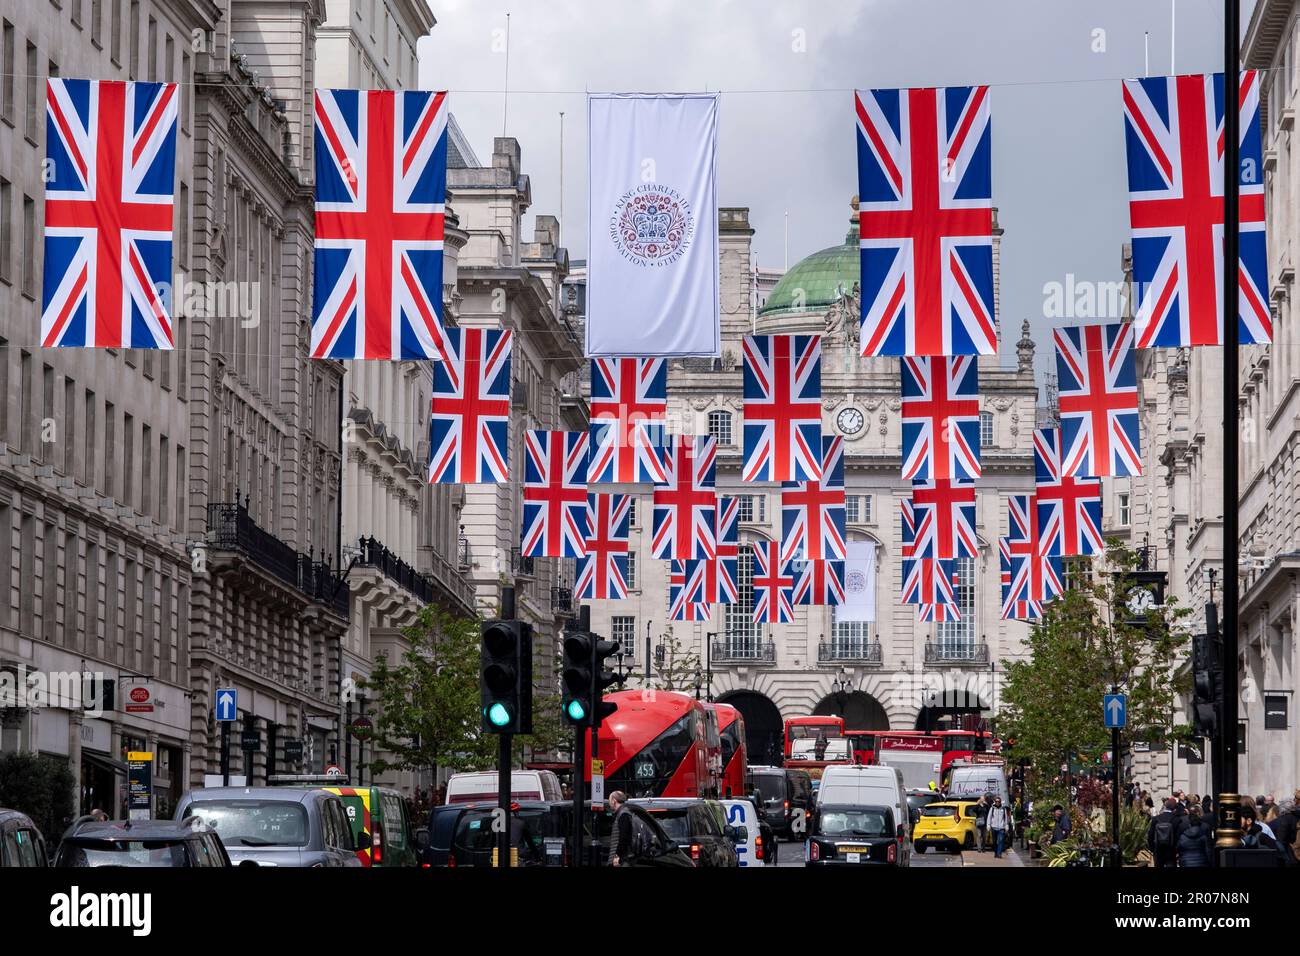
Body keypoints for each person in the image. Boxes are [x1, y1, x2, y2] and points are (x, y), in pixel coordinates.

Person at [1147, 798, 1185, 868]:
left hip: (1158, 849)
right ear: (1174, 809)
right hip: (1171, 850)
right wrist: (1177, 850)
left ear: (1165, 806)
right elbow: (1179, 837)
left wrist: (1152, 849)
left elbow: (1150, 835)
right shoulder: (1177, 820)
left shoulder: (1155, 819)